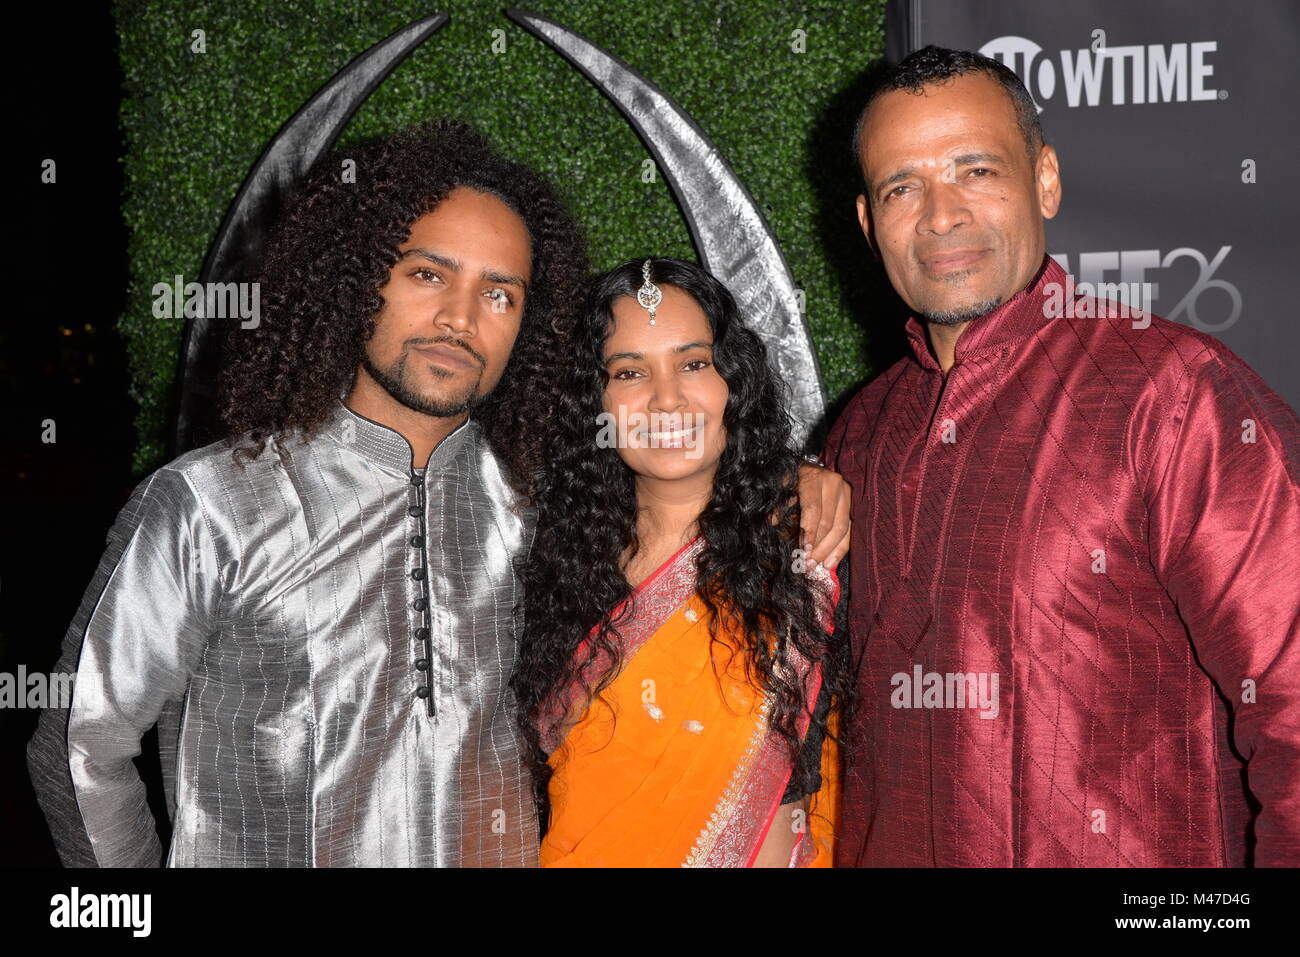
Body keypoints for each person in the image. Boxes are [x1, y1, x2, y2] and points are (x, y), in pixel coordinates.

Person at [27, 123, 850, 867]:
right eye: (429, 274)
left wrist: (795, 479)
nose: (461, 318)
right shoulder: (209, 504)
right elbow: (77, 744)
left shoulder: (533, 508)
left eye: (499, 293)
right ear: (359, 280)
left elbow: (684, 521)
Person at [824, 45, 1300, 867]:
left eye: (976, 171)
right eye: (903, 186)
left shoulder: (1174, 393)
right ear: (869, 223)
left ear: (1044, 179)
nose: (941, 215)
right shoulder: (857, 435)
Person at [513, 257, 851, 868]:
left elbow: (798, 795)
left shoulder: (805, 551)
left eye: (693, 364)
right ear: (596, 401)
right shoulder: (543, 562)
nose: (666, 399)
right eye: (629, 372)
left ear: (734, 384)